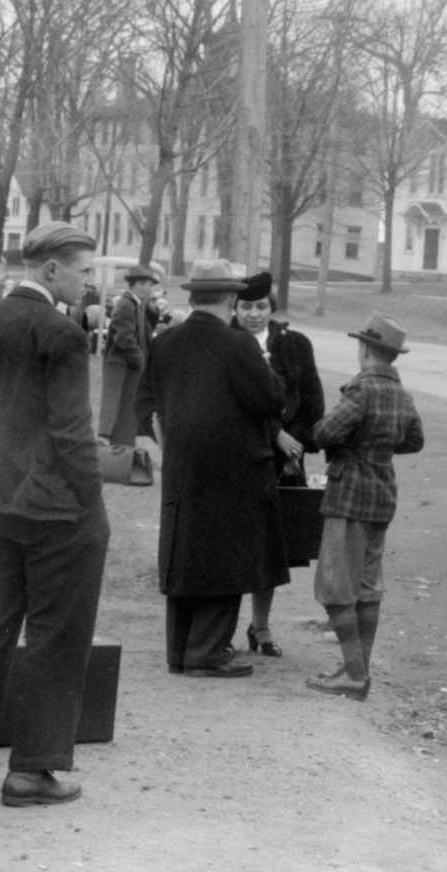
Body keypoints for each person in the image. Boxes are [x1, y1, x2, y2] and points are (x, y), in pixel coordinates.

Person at [0, 223, 108, 807]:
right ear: (51, 271)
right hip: (50, 507)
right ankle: (32, 772)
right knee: (55, 631)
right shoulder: (60, 334)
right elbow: (71, 434)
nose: (89, 284)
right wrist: (91, 501)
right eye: (85, 272)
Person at [135, 258, 287, 679]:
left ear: (194, 296)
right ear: (230, 297)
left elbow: (146, 404)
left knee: (184, 554)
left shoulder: (166, 342)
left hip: (183, 467)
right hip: (233, 468)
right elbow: (271, 400)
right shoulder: (238, 345)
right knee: (226, 558)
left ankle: (181, 651)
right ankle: (209, 652)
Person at [307, 311, 424, 701]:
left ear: (366, 350)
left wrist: (348, 446)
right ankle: (360, 667)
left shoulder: (361, 391)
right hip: (382, 493)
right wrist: (379, 448)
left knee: (336, 586)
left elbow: (323, 432)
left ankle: (354, 675)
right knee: (368, 586)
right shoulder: (400, 394)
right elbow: (414, 441)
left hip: (349, 493)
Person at [231, 270, 325, 658]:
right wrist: (273, 434)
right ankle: (221, 627)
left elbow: (314, 403)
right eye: (246, 307)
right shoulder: (228, 343)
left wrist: (295, 443)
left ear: (272, 308)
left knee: (272, 547)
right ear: (234, 309)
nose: (254, 314)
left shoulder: (295, 345)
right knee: (235, 543)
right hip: (238, 458)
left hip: (283, 463)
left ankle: (262, 626)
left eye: (261, 307)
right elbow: (229, 407)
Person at [98, 264, 159, 447]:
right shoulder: (126, 305)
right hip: (120, 364)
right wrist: (141, 362)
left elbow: (146, 333)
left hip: (130, 364)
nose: (150, 289)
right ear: (137, 284)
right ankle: (111, 445)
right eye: (148, 284)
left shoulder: (138, 305)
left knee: (128, 410)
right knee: (116, 407)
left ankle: (122, 446)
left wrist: (153, 309)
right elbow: (124, 339)